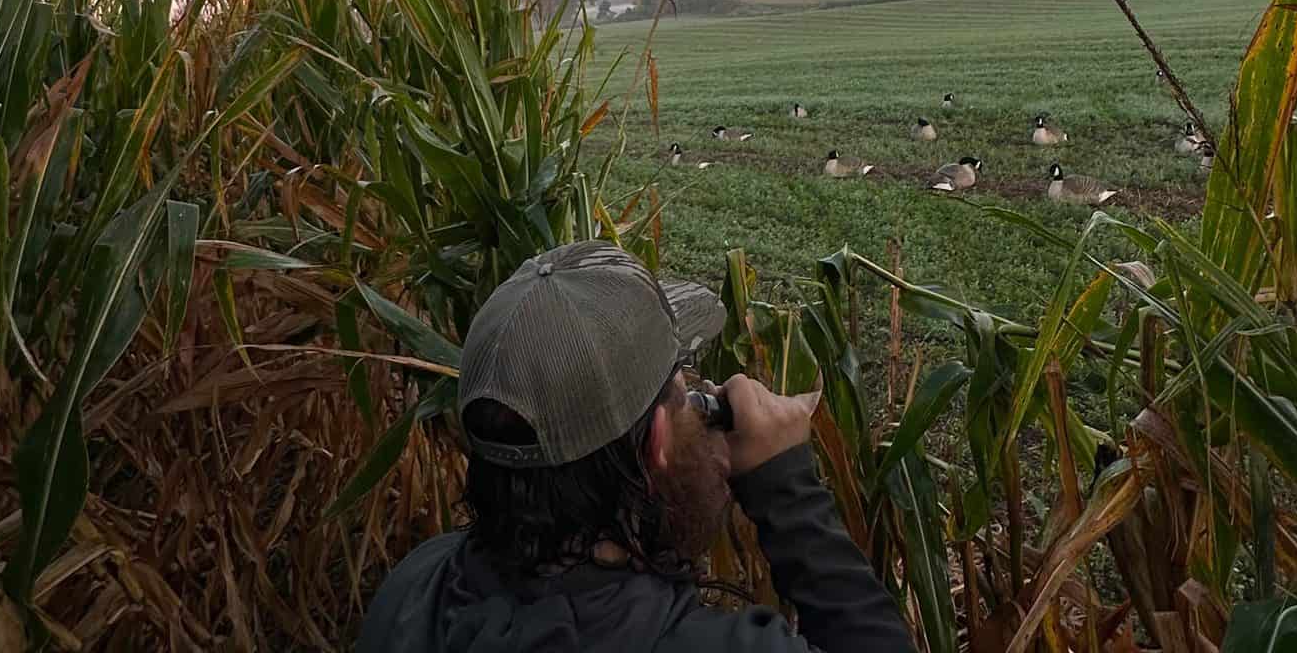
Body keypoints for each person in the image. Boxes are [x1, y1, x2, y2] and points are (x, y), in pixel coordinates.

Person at [357, 239, 913, 652]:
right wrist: (787, 487)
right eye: (683, 389)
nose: (698, 399)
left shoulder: (414, 587)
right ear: (658, 445)